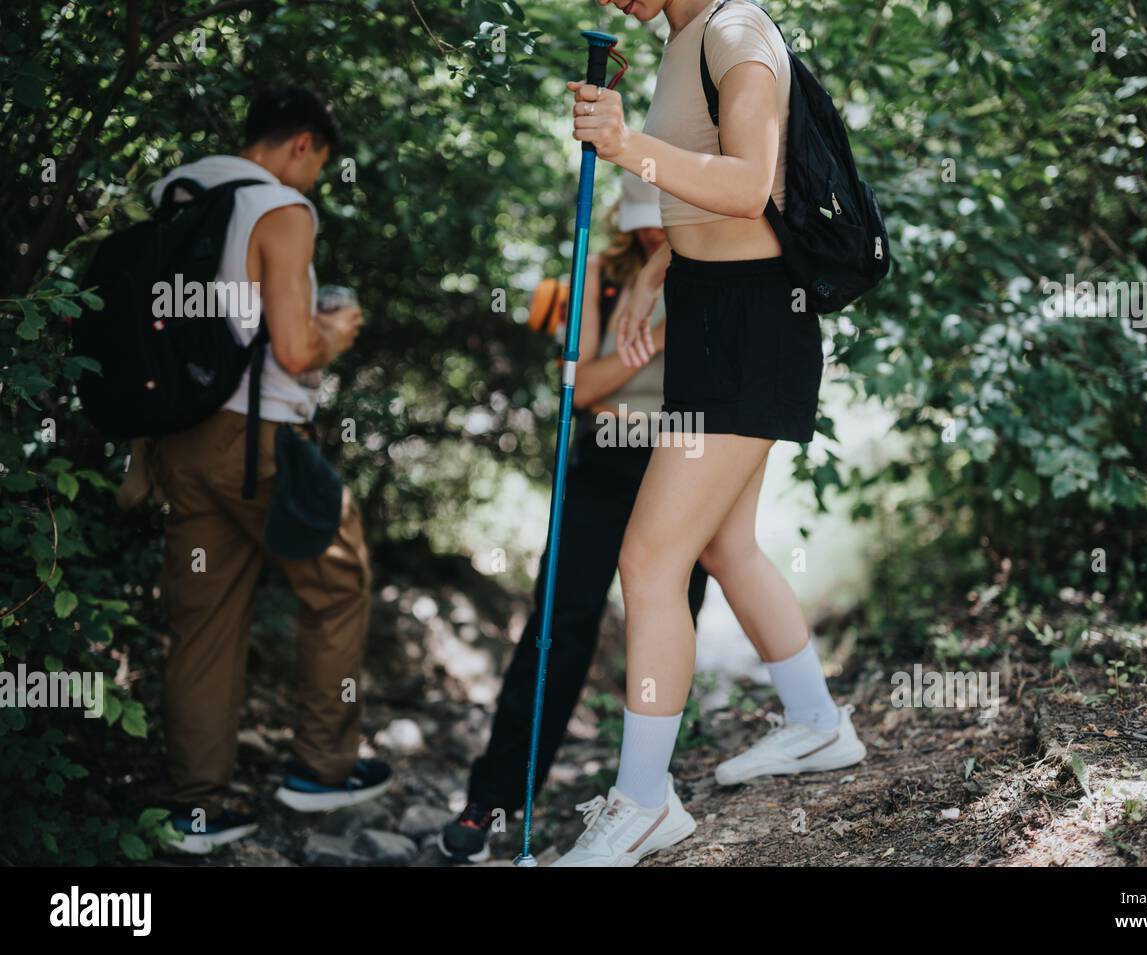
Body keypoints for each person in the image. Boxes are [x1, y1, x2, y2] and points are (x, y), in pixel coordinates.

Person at [552, 0, 867, 866]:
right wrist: (658, 268)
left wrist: (624, 146)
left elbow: (748, 183)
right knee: (725, 546)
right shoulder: (683, 37)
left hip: (753, 326)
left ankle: (645, 801)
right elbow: (706, 205)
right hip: (712, 313)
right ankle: (815, 722)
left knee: (650, 559)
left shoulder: (735, 31)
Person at [438, 171, 709, 863]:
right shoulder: (597, 268)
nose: (656, 232)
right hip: (607, 457)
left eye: (665, 219)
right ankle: (493, 799)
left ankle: (647, 791)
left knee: (671, 619)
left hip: (685, 462)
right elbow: (582, 386)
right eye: (646, 220)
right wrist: (643, 332)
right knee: (560, 621)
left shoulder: (715, 258)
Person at [148, 84, 390, 853]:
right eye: (318, 163)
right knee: (339, 580)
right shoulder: (279, 208)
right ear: (303, 145)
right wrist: (336, 334)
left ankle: (196, 811)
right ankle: (321, 769)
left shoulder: (176, 192)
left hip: (175, 438)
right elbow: (290, 350)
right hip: (258, 437)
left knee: (205, 623)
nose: (314, 178)